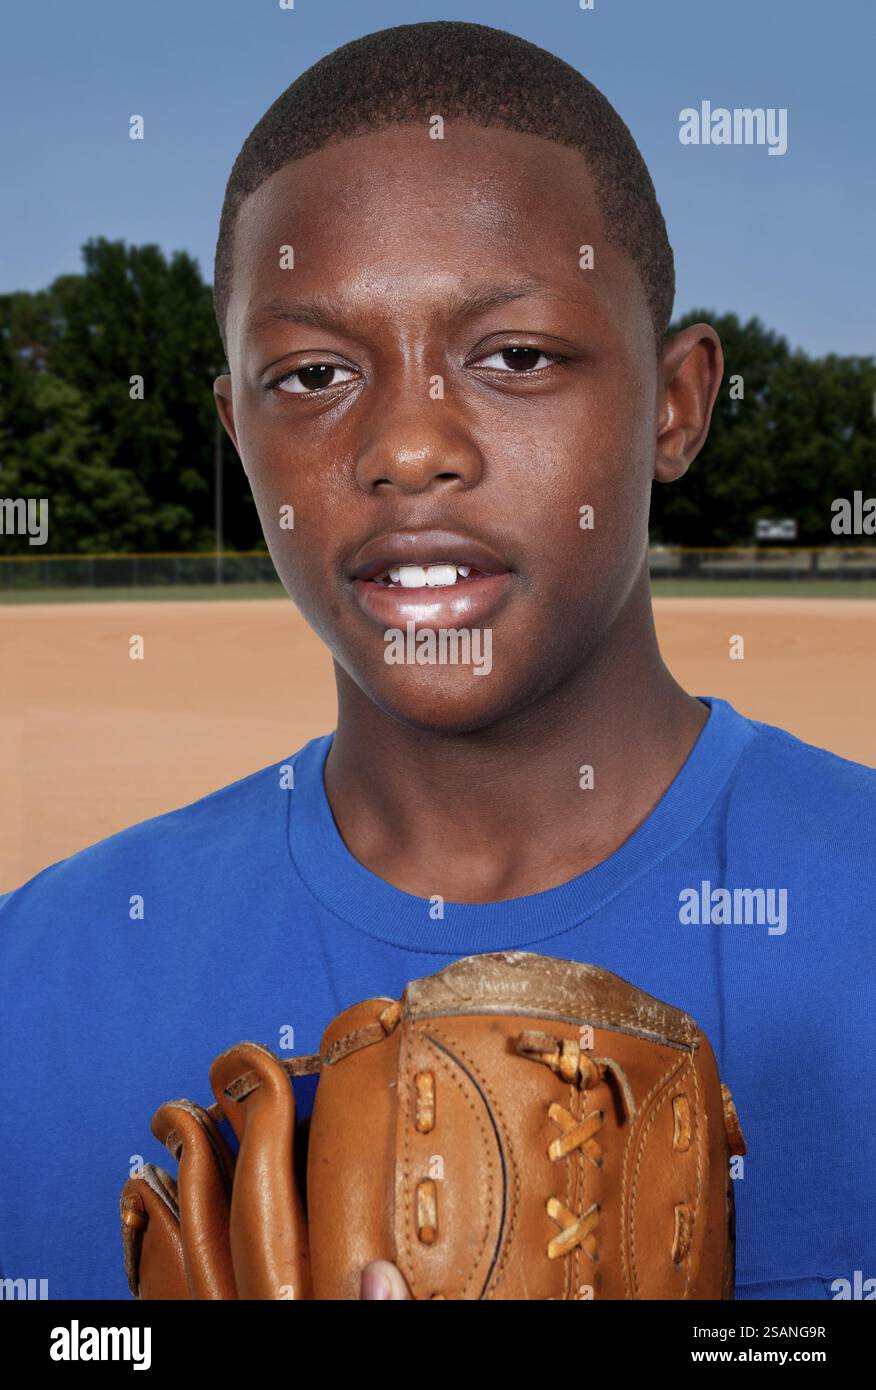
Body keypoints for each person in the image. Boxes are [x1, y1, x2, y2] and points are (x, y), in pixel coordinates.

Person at [1, 20, 873, 1302]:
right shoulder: (39, 983)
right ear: (237, 436)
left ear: (679, 404)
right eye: (311, 373)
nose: (408, 445)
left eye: (515, 356)